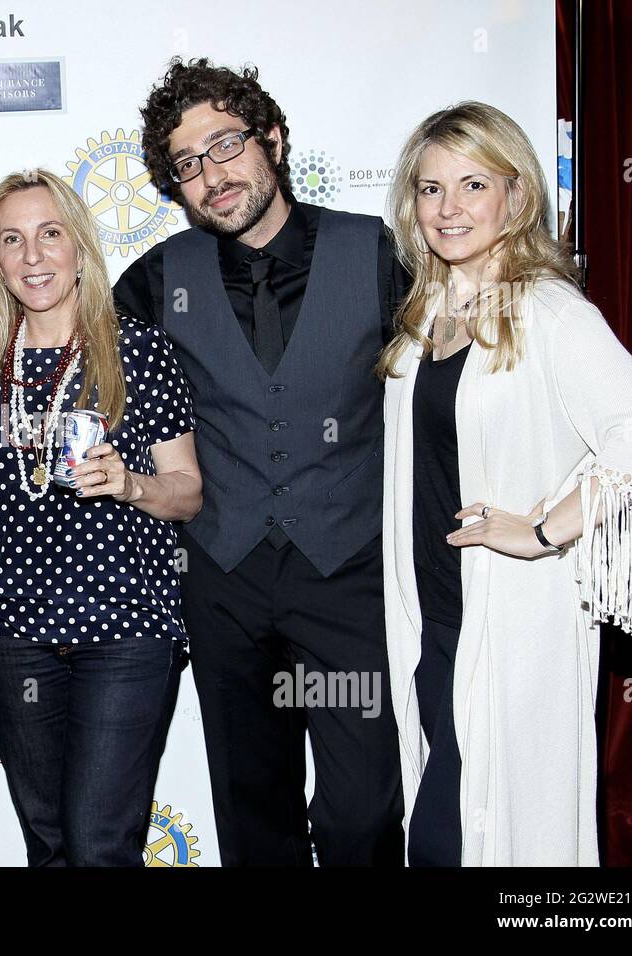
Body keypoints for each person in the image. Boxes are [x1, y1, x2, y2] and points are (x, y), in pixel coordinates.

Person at [113, 58, 408, 866]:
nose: (212, 175)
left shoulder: (373, 252)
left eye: (226, 144)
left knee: (361, 814)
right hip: (226, 582)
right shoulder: (156, 280)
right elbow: (77, 357)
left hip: (347, 580)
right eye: (188, 164)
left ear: (273, 140)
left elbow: (456, 377)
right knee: (253, 817)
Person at [377, 101, 632, 866]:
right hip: (434, 617)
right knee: (443, 828)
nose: (448, 209)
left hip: (511, 619)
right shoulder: (429, 316)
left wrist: (544, 530)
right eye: (429, 188)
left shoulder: (548, 311)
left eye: (472, 185)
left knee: (478, 837)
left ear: (516, 195)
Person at [0, 170, 201, 867]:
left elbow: (187, 491)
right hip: (11, 638)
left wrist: (130, 485)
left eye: (50, 234)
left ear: (81, 249)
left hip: (123, 633)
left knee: (99, 844)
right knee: (51, 844)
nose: (33, 256)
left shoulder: (139, 352)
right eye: (12, 240)